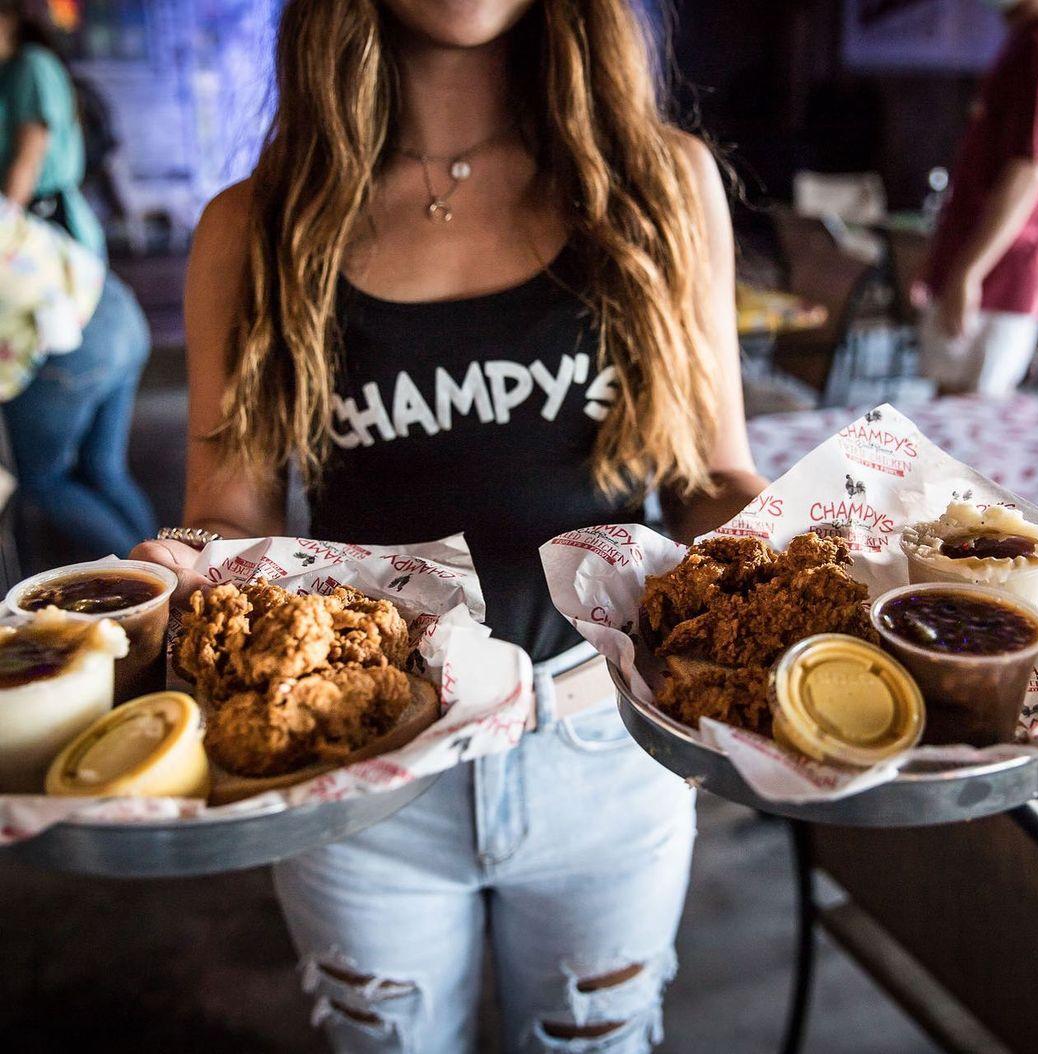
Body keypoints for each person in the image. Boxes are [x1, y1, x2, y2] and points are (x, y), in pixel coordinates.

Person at [134, 1, 766, 1050]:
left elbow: (709, 475)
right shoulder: (255, 227)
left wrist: (823, 551)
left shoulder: (660, 184)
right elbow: (231, 516)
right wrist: (182, 565)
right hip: (357, 765)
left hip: (604, 744)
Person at [0, 1, 156, 565]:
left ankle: (149, 583)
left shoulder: (30, 66)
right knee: (101, 469)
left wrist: (7, 216)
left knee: (39, 477)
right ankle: (175, 593)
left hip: (62, 297)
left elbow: (27, 158)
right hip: (103, 301)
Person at [919, 0, 1038, 397]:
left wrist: (969, 272)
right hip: (979, 259)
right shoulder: (1024, 41)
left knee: (968, 419)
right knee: (949, 411)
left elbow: (1029, 171)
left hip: (1002, 268)